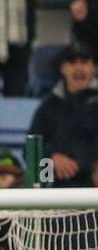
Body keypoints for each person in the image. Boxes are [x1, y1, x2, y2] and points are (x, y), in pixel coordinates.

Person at [28, 42, 98, 187]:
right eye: (72, 62)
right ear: (63, 68)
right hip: (57, 195)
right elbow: (31, 153)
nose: (79, 67)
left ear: (94, 67)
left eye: (84, 62)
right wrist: (51, 159)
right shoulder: (47, 108)